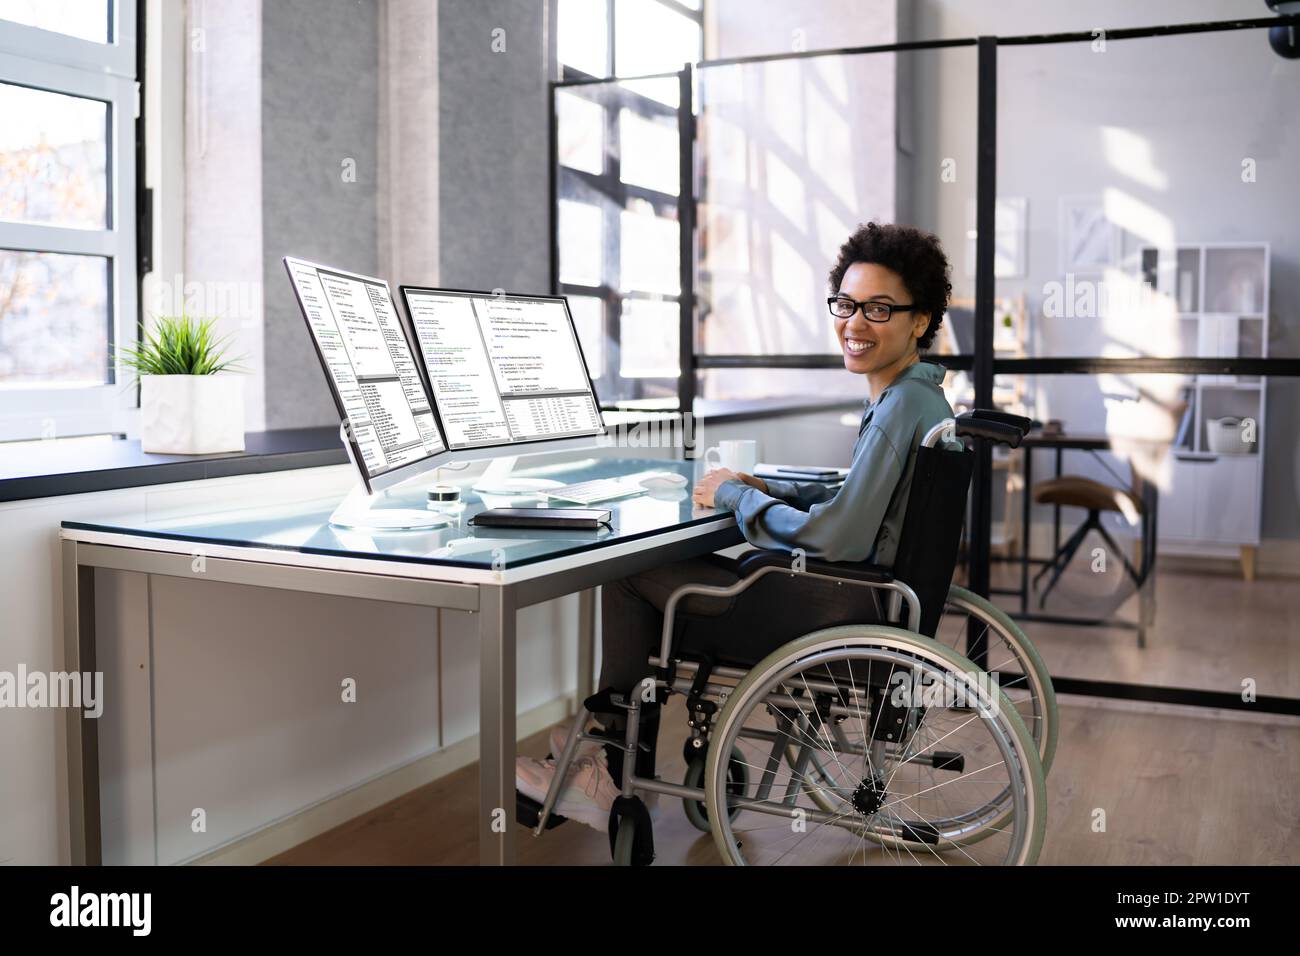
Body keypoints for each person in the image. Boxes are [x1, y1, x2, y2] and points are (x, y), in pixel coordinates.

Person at [515, 221, 957, 829]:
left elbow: (839, 537)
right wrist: (766, 488)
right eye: (847, 304)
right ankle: (610, 753)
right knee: (653, 569)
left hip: (831, 613)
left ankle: (609, 762)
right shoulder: (921, 399)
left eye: (879, 308)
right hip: (876, 606)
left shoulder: (897, 406)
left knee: (626, 572)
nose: (855, 323)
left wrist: (734, 499)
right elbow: (859, 497)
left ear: (920, 320)